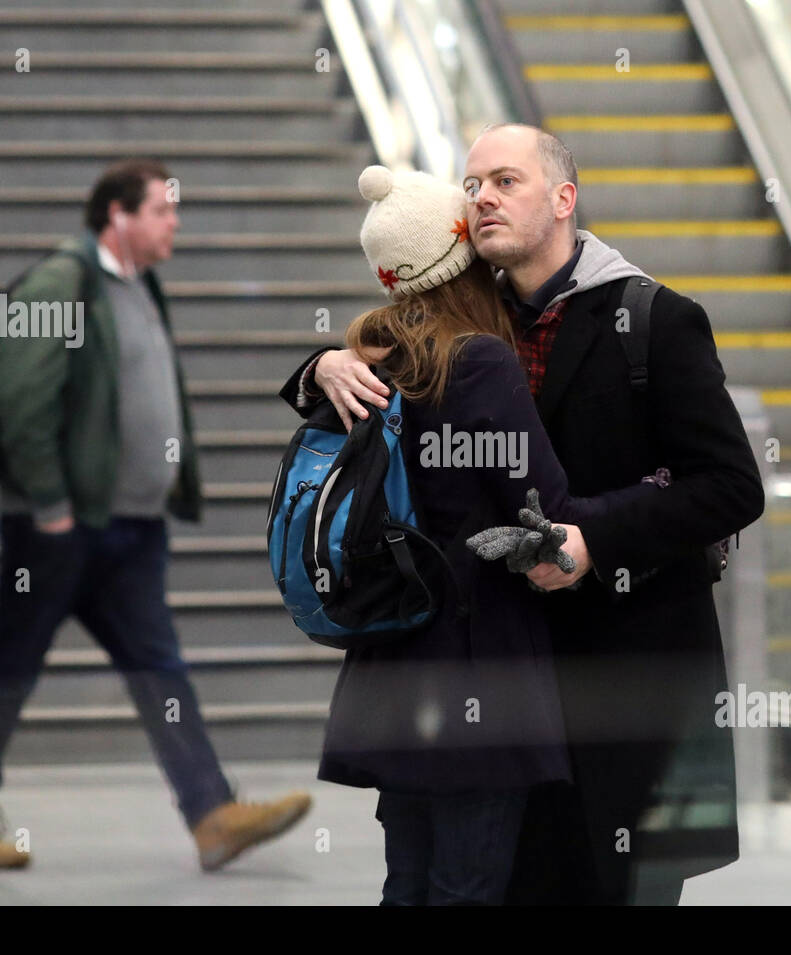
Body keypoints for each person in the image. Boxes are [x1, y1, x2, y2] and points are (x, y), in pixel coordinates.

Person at [281, 125, 765, 905]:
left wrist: (593, 537)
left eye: (506, 181)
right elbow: (373, 371)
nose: (484, 198)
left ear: (564, 199)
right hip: (507, 690)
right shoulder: (463, 321)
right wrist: (321, 366)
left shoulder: (654, 319)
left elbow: (733, 487)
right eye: (472, 186)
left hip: (624, 679)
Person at [0, 159, 310, 870]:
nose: (175, 222)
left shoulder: (137, 285)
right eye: (163, 209)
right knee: (12, 665)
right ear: (118, 217)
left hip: (130, 527)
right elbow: (21, 398)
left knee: (158, 666)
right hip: (61, 529)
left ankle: (211, 813)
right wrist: (50, 508)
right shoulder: (61, 283)